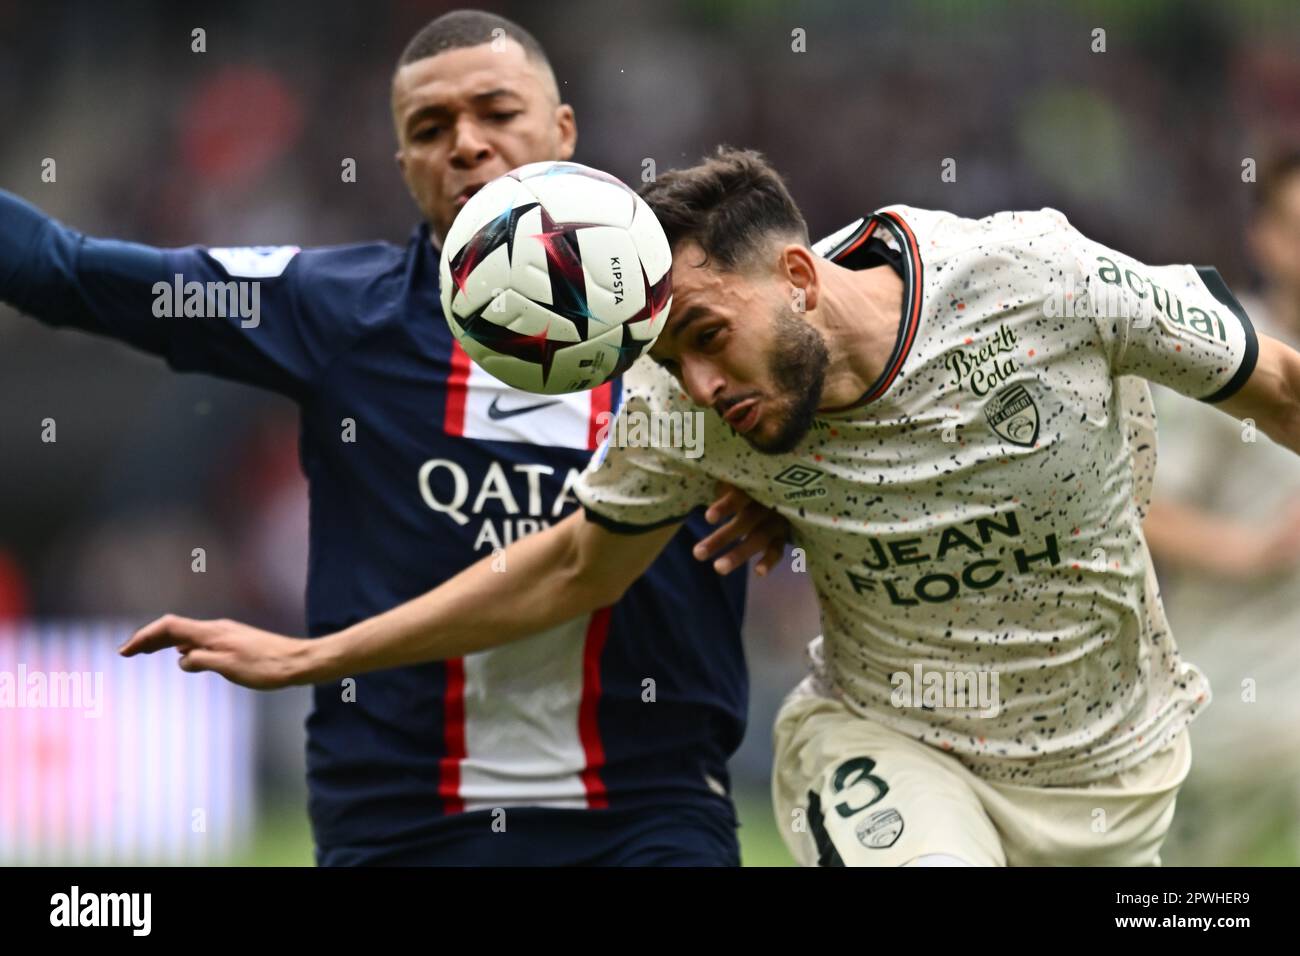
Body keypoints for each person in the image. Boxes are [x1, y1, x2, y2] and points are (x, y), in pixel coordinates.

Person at [122, 144, 1300, 867]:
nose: (696, 386)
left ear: (797, 274)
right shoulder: (680, 405)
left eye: (703, 339)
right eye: (669, 359)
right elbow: (573, 564)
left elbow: (1277, 385)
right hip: (892, 743)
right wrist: (317, 651)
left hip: (1117, 768)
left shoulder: (1040, 277)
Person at [2, 13, 776, 866]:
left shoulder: (691, 317)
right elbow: (64, 274)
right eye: (430, 128)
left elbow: (837, 409)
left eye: (495, 111)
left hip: (647, 812)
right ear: (403, 162)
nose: (467, 145)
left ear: (563, 129)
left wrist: (786, 494)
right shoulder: (329, 308)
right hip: (401, 819)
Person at [1141, 151, 1300, 864]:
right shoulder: (1220, 350)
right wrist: (1256, 549)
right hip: (1234, 712)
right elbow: (1141, 505)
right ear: (1263, 236)